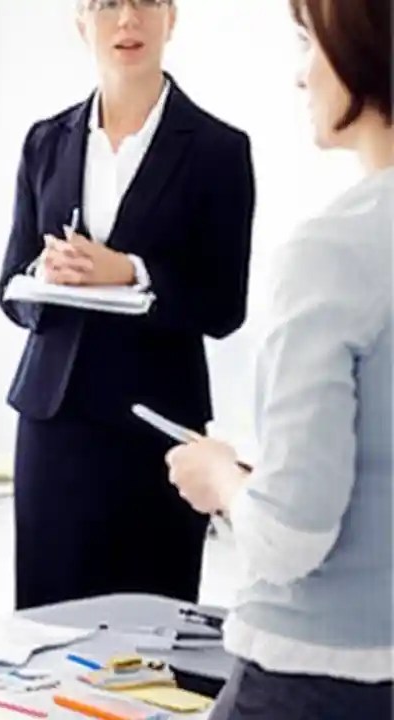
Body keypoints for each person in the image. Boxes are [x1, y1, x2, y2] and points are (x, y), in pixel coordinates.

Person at [166, 0, 392, 716]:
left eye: (308, 43)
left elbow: (291, 539)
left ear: (365, 49)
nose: (301, 76)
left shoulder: (334, 251)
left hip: (314, 679)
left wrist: (223, 481)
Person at [0, 0, 255, 609]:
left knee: (151, 634)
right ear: (81, 20)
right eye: (107, 4)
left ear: (172, 17)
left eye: (145, 2)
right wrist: (46, 272)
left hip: (159, 430)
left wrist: (131, 273)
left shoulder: (220, 150)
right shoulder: (44, 142)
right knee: (46, 622)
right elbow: (10, 286)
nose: (127, 20)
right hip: (53, 423)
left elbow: (224, 305)